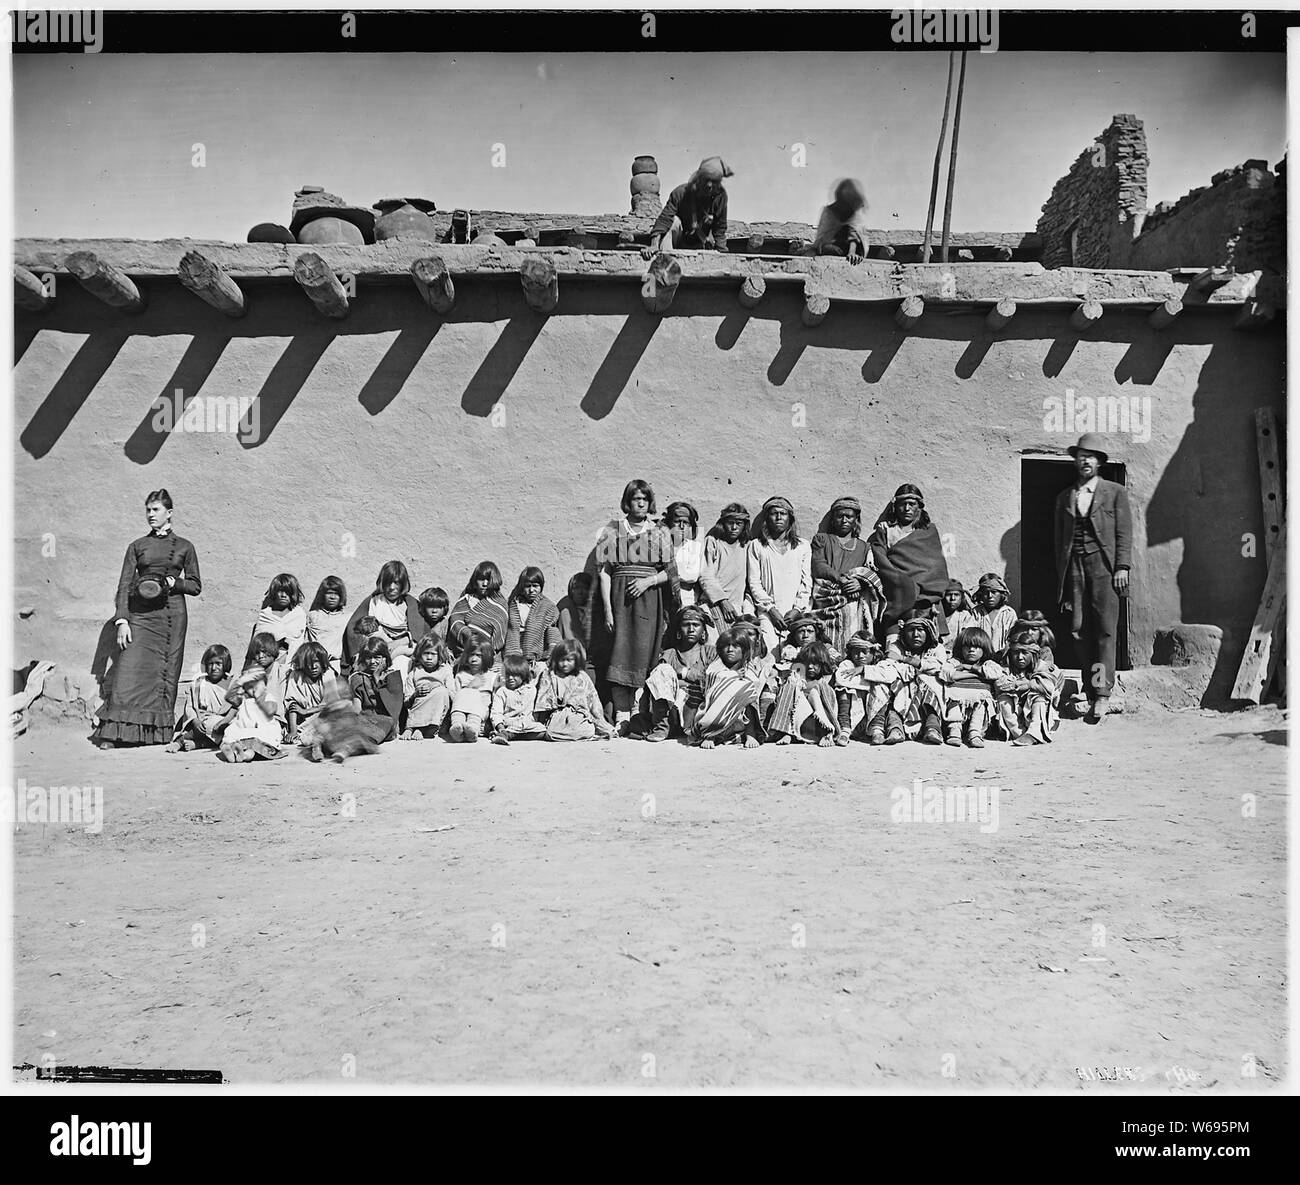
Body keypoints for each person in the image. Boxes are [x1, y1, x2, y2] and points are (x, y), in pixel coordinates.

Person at [94, 489, 202, 748]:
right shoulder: (137, 546)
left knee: (162, 676)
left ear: (169, 513)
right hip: (140, 615)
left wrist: (175, 582)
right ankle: (114, 733)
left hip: (171, 617)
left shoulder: (186, 546)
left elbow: (196, 586)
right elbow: (124, 586)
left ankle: (154, 735)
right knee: (128, 669)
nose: (150, 515)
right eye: (148, 510)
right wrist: (122, 620)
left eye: (155, 510)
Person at [1054, 433, 1131, 723]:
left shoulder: (1114, 493)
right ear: (1075, 460)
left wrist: (1122, 567)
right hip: (1075, 567)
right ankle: (1088, 690)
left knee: (1105, 630)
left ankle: (1102, 695)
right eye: (1080, 456)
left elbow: (1124, 533)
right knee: (1078, 629)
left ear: (1099, 462)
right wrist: (1062, 580)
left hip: (1104, 566)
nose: (1085, 461)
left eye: (1091, 456)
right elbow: (1058, 542)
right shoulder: (1065, 497)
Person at [592, 480, 679, 735]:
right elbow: (605, 573)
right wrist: (608, 609)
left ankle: (638, 714)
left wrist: (647, 581)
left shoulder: (661, 532)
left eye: (644, 499)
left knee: (643, 654)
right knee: (620, 653)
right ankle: (621, 716)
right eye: (634, 499)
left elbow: (671, 572)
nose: (640, 503)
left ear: (650, 502)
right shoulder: (612, 530)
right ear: (627, 502)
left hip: (649, 599)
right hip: (619, 600)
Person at [869, 483, 951, 639]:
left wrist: (923, 585)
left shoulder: (928, 530)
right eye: (902, 504)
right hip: (897, 590)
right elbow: (880, 558)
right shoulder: (886, 529)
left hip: (926, 595)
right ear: (895, 507)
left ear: (919, 507)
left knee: (924, 640)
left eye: (911, 504)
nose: (907, 508)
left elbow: (936, 565)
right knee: (894, 640)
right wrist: (902, 581)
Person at [811, 496, 883, 653]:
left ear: (855, 519)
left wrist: (860, 583)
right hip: (827, 598)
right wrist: (840, 579)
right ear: (833, 519)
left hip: (852, 601)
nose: (844, 520)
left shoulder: (864, 547)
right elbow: (818, 565)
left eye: (849, 516)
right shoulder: (822, 539)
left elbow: (868, 572)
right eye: (839, 516)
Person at [635, 604, 715, 742]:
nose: (691, 629)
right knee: (662, 670)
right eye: (686, 625)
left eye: (695, 625)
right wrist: (691, 680)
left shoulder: (711, 653)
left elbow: (712, 679)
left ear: (703, 631)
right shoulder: (669, 654)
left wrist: (681, 674)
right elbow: (658, 682)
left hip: (701, 711)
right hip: (672, 711)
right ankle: (662, 727)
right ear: (678, 630)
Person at [747, 495, 812, 656]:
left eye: (782, 513)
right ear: (767, 518)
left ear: (790, 518)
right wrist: (771, 610)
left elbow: (806, 581)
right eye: (773, 513)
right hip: (768, 613)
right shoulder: (757, 546)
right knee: (770, 655)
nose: (778, 517)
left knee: (796, 656)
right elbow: (754, 582)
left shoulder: (802, 546)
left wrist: (797, 609)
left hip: (795, 612)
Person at [342, 560, 426, 677]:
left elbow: (420, 634)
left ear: (403, 583)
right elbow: (354, 630)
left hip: (402, 652)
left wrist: (399, 642)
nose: (392, 587)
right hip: (375, 651)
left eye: (396, 583)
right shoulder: (374, 602)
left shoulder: (411, 605)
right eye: (388, 583)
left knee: (400, 665)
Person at [642, 155, 734, 257]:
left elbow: (719, 229)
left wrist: (723, 254)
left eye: (714, 181)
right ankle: (665, 259)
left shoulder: (720, 197)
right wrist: (654, 245)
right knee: (674, 221)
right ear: (699, 178)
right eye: (706, 179)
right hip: (677, 242)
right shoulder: (680, 193)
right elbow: (664, 220)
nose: (709, 185)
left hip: (699, 244)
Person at [693, 628, 766, 749]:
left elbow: (754, 684)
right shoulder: (716, 666)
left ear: (744, 650)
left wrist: (740, 683)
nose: (730, 650)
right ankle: (709, 735)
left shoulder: (748, 667)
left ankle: (750, 733)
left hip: (739, 720)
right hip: (714, 717)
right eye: (726, 646)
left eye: (736, 646)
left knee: (747, 687)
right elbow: (713, 682)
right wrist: (733, 676)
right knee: (726, 686)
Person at [885, 608, 949, 744]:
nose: (915, 635)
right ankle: (895, 727)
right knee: (893, 685)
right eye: (911, 630)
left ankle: (933, 727)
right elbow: (890, 666)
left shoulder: (937, 648)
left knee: (929, 681)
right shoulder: (895, 646)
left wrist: (904, 659)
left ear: (928, 631)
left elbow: (937, 667)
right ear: (903, 632)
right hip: (904, 690)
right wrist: (921, 667)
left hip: (928, 692)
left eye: (921, 630)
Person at [534, 640, 615, 741]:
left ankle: (568, 734)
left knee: (587, 729)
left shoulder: (582, 676)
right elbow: (542, 702)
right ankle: (557, 734)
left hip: (578, 716)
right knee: (551, 730)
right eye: (561, 660)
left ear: (576, 660)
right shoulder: (550, 675)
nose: (564, 664)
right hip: (558, 716)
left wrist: (601, 723)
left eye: (569, 660)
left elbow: (593, 701)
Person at [938, 627, 1003, 747]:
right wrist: (976, 674)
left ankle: (975, 732)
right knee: (953, 702)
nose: (971, 650)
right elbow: (946, 674)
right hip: (956, 697)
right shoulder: (954, 662)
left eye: (976, 647)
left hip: (978, 698)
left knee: (982, 704)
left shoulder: (987, 663)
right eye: (967, 646)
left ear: (984, 649)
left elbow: (995, 673)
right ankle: (955, 730)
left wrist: (970, 668)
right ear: (960, 648)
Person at [766, 641, 839, 747]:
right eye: (807, 662)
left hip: (815, 724)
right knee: (789, 686)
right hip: (796, 721)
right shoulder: (797, 679)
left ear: (822, 664)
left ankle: (826, 733)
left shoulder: (823, 683)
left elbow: (828, 706)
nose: (810, 666)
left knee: (820, 691)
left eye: (815, 663)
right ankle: (786, 733)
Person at [995, 635, 1064, 745]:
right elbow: (1000, 684)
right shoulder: (1006, 666)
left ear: (1033, 654)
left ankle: (1034, 732)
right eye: (1016, 653)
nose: (1020, 657)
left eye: (1025, 653)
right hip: (1016, 709)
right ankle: (1018, 733)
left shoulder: (1042, 666)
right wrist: (1018, 685)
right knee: (1003, 698)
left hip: (1035, 709)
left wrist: (1026, 685)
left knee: (1038, 696)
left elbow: (1048, 686)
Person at [167, 644, 234, 752]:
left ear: (225, 664)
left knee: (231, 732)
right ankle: (180, 741)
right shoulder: (199, 683)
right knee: (206, 726)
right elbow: (190, 707)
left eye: (218, 664)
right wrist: (195, 721)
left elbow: (235, 707)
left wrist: (225, 721)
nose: (213, 668)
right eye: (210, 664)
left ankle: (199, 744)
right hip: (203, 720)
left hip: (223, 722)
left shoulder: (232, 684)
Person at [699, 503, 752, 634]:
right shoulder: (713, 541)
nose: (734, 527)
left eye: (739, 523)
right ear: (723, 523)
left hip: (736, 607)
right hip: (713, 604)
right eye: (730, 523)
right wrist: (723, 601)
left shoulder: (747, 546)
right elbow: (706, 575)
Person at [217, 665, 287, 762]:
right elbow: (229, 697)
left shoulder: (267, 696)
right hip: (244, 730)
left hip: (262, 731)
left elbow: (271, 710)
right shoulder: (243, 699)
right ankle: (233, 753)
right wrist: (239, 682)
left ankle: (244, 755)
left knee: (256, 746)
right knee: (230, 731)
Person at [447, 561, 510, 669]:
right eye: (481, 579)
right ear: (475, 580)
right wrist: (468, 634)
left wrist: (483, 649)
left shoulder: (500, 604)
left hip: (487, 656)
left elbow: (500, 633)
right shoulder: (467, 598)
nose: (485, 583)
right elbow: (456, 620)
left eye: (488, 580)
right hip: (461, 652)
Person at [283, 640, 341, 743]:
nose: (313, 667)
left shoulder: (328, 674)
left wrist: (307, 711)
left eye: (316, 661)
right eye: (308, 663)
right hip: (304, 721)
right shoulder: (296, 676)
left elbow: (332, 703)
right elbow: (292, 705)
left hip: (323, 716)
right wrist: (293, 731)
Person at [349, 636, 404, 744]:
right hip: (366, 719)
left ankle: (360, 742)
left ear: (385, 658)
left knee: (387, 722)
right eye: (369, 657)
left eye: (377, 657)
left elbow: (392, 709)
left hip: (386, 720)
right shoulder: (358, 678)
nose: (373, 661)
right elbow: (357, 708)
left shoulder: (392, 676)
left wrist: (377, 678)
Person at [504, 566, 561, 666]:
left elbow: (552, 631)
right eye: (527, 586)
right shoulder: (515, 605)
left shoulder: (548, 607)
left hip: (537, 655)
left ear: (541, 587)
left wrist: (550, 653)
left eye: (535, 586)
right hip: (517, 650)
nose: (531, 590)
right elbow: (512, 630)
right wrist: (514, 655)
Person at [402, 635, 453, 740]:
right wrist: (416, 694)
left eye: (433, 654)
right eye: (426, 653)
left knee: (441, 691)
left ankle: (421, 729)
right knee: (421, 697)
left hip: (438, 710)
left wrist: (437, 687)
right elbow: (407, 702)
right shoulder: (415, 672)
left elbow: (452, 694)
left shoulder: (445, 671)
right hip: (417, 709)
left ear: (440, 656)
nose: (429, 658)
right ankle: (411, 728)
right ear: (420, 655)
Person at [490, 654, 547, 744]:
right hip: (510, 725)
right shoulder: (502, 691)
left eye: (515, 675)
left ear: (523, 675)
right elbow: (496, 712)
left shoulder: (531, 689)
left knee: (543, 731)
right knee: (507, 731)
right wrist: (500, 727)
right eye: (507, 675)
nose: (510, 678)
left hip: (527, 725)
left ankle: (514, 736)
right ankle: (505, 735)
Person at [812, 178, 870, 264]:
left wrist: (851, 253)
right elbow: (823, 235)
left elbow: (855, 232)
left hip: (849, 247)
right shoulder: (828, 212)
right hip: (829, 244)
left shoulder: (856, 212)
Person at [250, 573, 307, 659]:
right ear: (274, 592)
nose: (283, 595)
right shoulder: (265, 615)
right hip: (267, 667)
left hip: (291, 665)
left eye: (288, 592)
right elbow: (255, 647)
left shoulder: (299, 614)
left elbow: (299, 643)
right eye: (280, 591)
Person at [448, 642, 495, 742]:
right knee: (462, 696)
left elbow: (496, 700)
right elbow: (454, 698)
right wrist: (470, 687)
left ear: (486, 657)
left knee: (475, 697)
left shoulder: (491, 676)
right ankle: (457, 727)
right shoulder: (461, 676)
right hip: (461, 711)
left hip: (480, 714)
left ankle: (472, 730)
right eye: (471, 655)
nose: (474, 659)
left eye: (478, 655)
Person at [663, 501, 705, 608]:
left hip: (686, 601)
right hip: (663, 600)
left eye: (685, 523)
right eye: (677, 521)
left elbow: (692, 576)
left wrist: (666, 573)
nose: (681, 526)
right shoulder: (662, 546)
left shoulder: (694, 547)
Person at [305, 576, 348, 673]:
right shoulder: (313, 616)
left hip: (337, 666)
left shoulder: (346, 618)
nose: (332, 597)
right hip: (314, 666)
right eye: (329, 593)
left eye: (336, 594)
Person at [972, 573, 1018, 654]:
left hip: (1003, 658)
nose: (990, 596)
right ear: (981, 594)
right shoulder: (976, 613)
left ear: (1001, 594)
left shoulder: (1009, 614)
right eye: (986, 593)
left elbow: (1013, 640)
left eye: (994, 592)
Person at [556, 573, 593, 653]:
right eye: (576, 588)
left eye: (585, 588)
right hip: (572, 653)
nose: (580, 592)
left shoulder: (595, 609)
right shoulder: (566, 607)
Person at [940, 579, 977, 644]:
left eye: (956, 595)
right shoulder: (937, 615)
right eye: (949, 595)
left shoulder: (965, 616)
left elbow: (968, 639)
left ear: (961, 597)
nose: (953, 598)